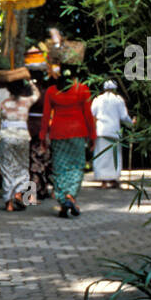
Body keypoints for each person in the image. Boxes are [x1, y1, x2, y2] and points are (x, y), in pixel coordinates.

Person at [39, 62, 96, 217]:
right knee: (76, 167)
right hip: (78, 133)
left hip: (58, 133)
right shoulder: (82, 89)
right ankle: (70, 196)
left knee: (59, 168)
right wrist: (93, 136)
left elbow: (45, 117)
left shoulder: (51, 91)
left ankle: (64, 200)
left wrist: (43, 136)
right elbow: (88, 116)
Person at [0, 69, 39, 211]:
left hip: (6, 136)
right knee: (22, 167)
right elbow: (37, 94)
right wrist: (30, 82)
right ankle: (20, 194)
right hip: (22, 137)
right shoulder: (26, 102)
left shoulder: (4, 104)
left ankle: (8, 202)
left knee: (7, 168)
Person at [90, 80, 134, 187]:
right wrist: (131, 123)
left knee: (102, 155)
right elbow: (124, 117)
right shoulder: (118, 100)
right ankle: (113, 179)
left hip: (101, 130)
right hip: (114, 131)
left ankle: (103, 181)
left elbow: (91, 114)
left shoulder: (98, 99)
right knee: (114, 156)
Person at [26, 62, 53, 204]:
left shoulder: (29, 91)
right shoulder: (44, 91)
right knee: (40, 161)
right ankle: (35, 193)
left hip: (30, 129)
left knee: (32, 162)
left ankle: (35, 192)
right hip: (41, 129)